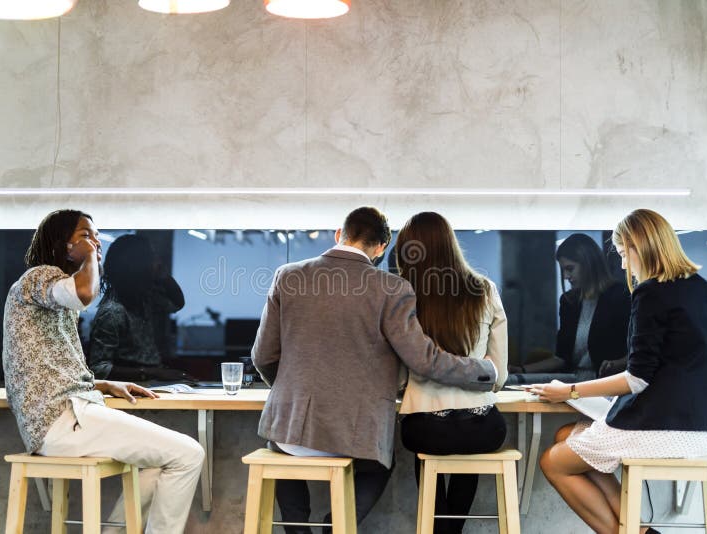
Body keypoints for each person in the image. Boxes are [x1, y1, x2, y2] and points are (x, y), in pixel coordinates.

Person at [251, 206, 497, 534]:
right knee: (378, 466)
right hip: (354, 437)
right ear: (381, 247)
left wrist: (287, 390)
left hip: (289, 430)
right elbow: (424, 359)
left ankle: (297, 529)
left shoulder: (288, 275)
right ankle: (336, 525)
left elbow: (263, 355)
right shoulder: (392, 288)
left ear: (339, 234)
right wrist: (483, 370)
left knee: (279, 450)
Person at [533, 209, 707, 534]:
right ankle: (637, 528)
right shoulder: (705, 289)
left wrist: (568, 391)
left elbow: (637, 380)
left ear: (638, 246)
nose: (624, 265)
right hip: (703, 430)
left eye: (623, 253)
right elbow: (680, 357)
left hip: (665, 429)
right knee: (565, 437)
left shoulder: (651, 290)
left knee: (553, 462)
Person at [2, 210, 204, 534]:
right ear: (64, 244)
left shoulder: (58, 301)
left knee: (160, 464)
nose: (96, 242)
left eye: (96, 236)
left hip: (71, 415)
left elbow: (56, 367)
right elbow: (84, 292)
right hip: (62, 420)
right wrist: (88, 259)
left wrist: (106, 383)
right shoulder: (37, 279)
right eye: (86, 235)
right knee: (189, 455)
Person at [395, 212, 508, 534]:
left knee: (428, 448)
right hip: (485, 426)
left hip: (424, 426)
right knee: (467, 445)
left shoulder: (403, 296)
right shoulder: (484, 289)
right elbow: (498, 375)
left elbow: (399, 375)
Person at [510, 233, 630, 380]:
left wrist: (618, 364)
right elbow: (561, 358)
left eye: (570, 268)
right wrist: (522, 370)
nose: (566, 276)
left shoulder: (620, 296)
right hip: (574, 385)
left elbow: (635, 354)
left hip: (608, 386)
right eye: (563, 270)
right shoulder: (569, 302)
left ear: (588, 264)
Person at [88, 233, 193, 382]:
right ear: (138, 266)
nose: (156, 263)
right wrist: (153, 373)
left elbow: (176, 304)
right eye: (151, 258)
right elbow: (98, 369)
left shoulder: (142, 300)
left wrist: (164, 276)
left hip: (148, 382)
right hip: (130, 392)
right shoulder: (113, 311)